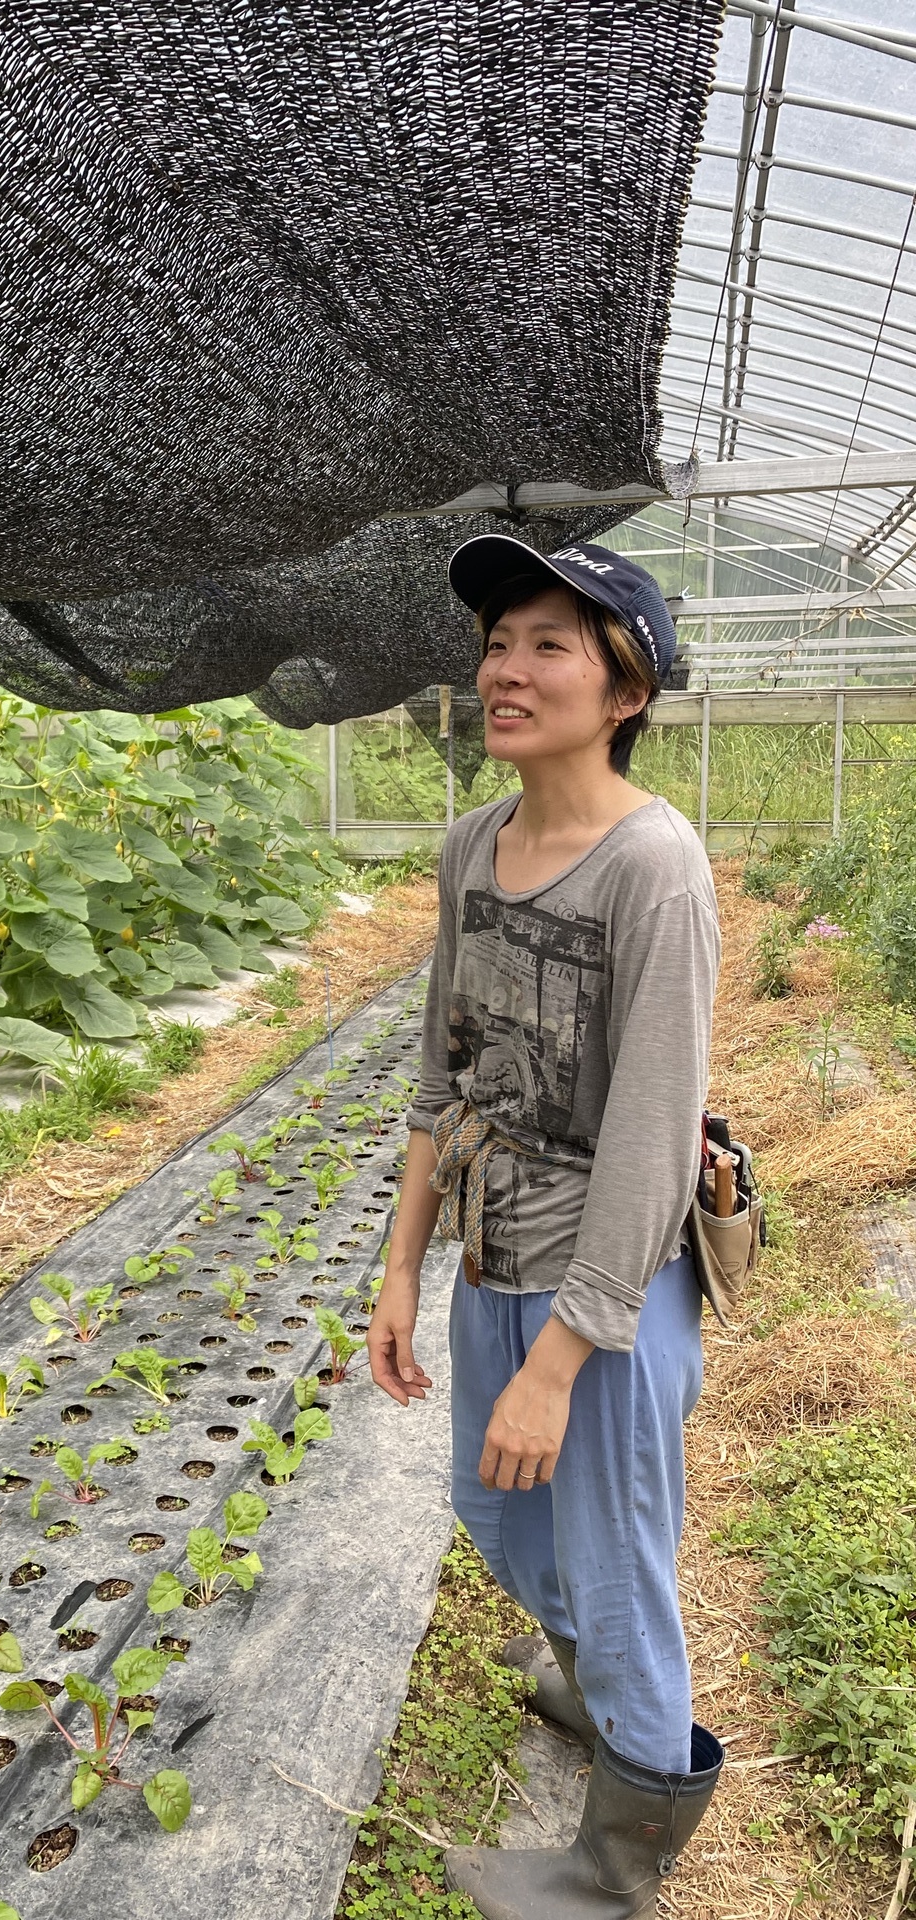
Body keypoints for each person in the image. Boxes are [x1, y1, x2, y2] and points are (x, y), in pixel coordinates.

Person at [366, 535, 724, 1920]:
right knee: (495, 1511)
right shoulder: (474, 844)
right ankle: (596, 1687)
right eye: (498, 641)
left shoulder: (656, 868)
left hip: (609, 1287)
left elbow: (652, 1136)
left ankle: (611, 1866)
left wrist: (564, 1357)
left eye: (549, 646)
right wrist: (401, 1269)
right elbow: (438, 1075)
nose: (505, 671)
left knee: (619, 1567)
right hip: (488, 1246)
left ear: (626, 686)